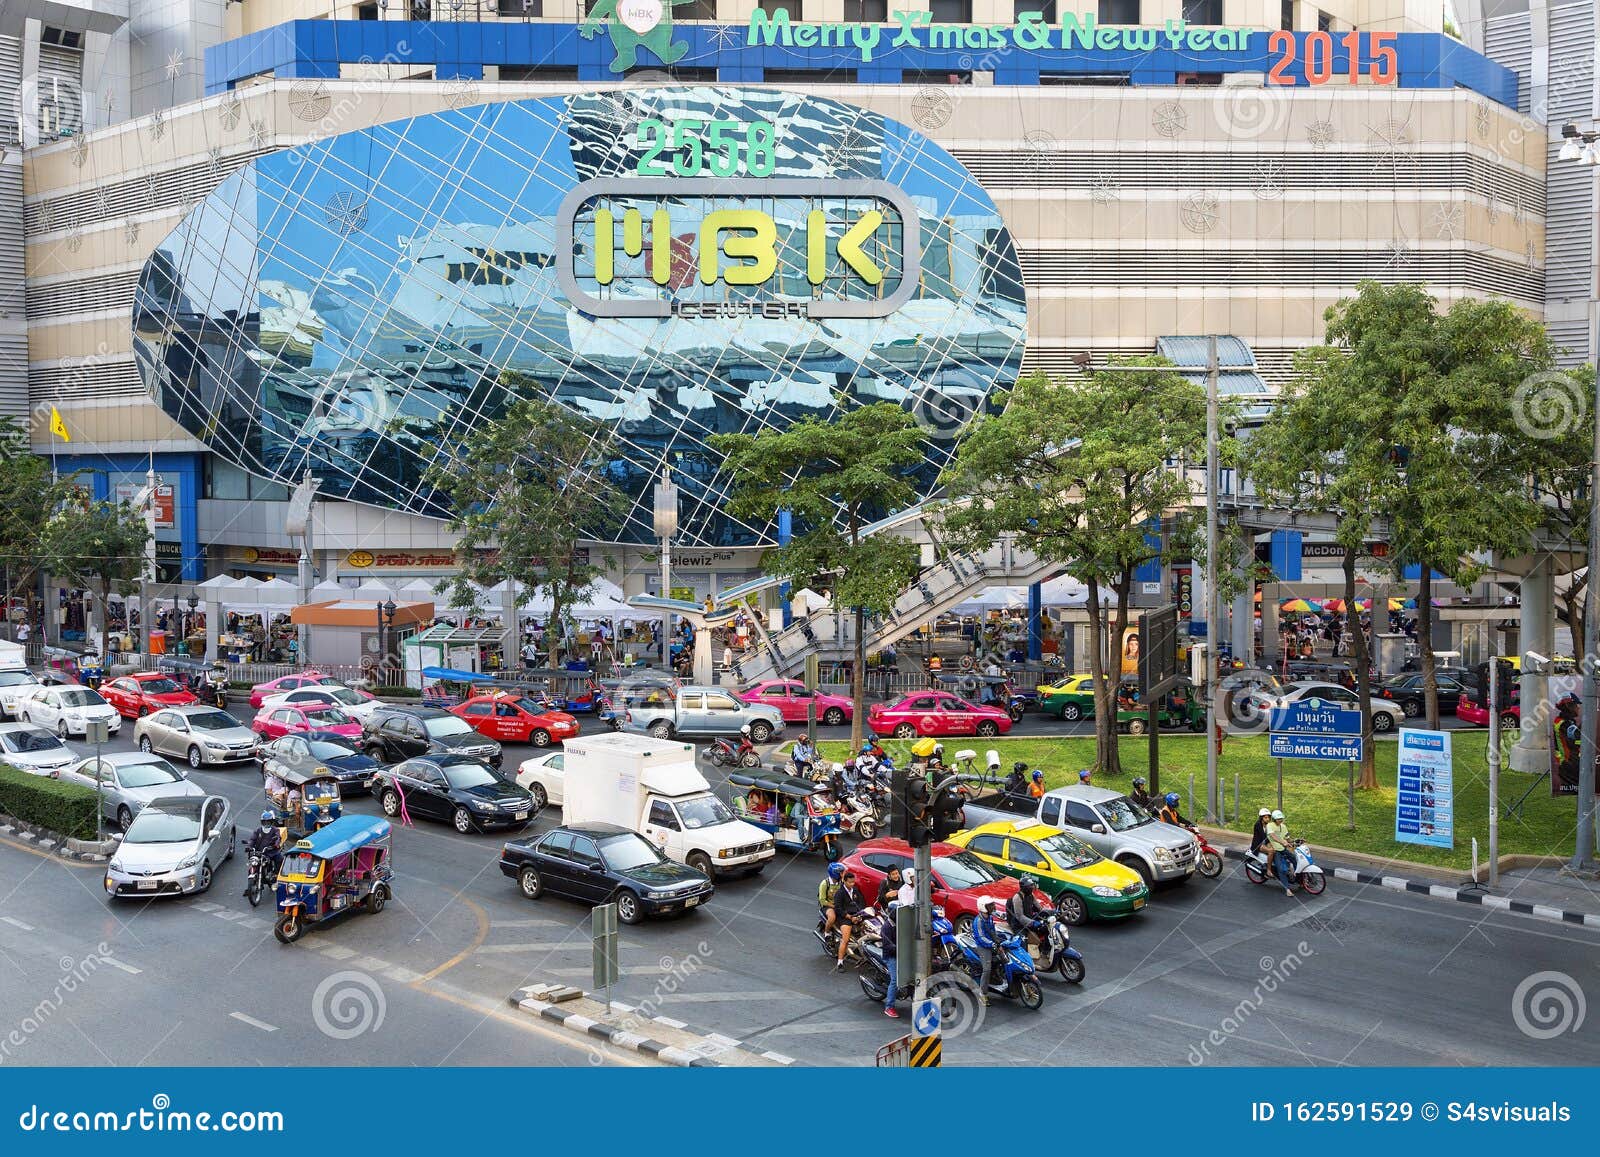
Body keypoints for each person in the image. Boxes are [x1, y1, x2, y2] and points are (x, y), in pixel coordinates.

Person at [828, 869, 867, 970]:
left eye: (853, 882)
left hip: (857, 915)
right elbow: (838, 908)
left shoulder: (856, 891)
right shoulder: (839, 893)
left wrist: (860, 915)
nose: (852, 884)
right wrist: (850, 917)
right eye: (850, 882)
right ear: (844, 881)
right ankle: (840, 962)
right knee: (845, 940)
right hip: (844, 918)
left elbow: (862, 902)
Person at [1004, 875, 1048, 956]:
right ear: (1023, 887)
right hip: (1019, 926)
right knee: (1024, 945)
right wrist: (1033, 922)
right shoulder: (1017, 898)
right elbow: (1019, 916)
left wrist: (1051, 912)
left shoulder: (1031, 895)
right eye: (1029, 886)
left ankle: (1045, 951)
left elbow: (1039, 908)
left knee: (1047, 929)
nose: (1032, 887)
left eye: (1032, 885)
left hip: (1030, 922)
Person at [872, 901, 900, 1017]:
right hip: (891, 956)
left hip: (901, 954)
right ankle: (889, 1007)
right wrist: (900, 948)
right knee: (895, 980)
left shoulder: (902, 923)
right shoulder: (887, 927)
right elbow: (888, 945)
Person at [972, 896, 1003, 1000]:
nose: (992, 907)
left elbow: (992, 931)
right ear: (983, 907)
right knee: (987, 969)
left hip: (991, 943)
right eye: (990, 906)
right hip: (983, 946)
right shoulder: (978, 921)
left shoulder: (989, 917)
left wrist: (998, 940)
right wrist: (992, 944)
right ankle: (983, 994)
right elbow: (981, 938)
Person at [1264, 809, 1294, 895]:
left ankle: (1298, 879)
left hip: (1283, 849)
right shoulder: (1270, 825)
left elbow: (1288, 838)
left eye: (1281, 818)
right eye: (1278, 819)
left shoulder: (1283, 826)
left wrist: (1296, 841)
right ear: (1274, 819)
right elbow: (1273, 836)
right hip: (1275, 850)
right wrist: (1282, 842)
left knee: (1294, 859)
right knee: (1281, 869)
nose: (1280, 820)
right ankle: (1287, 889)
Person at [818, 862, 844, 931]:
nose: (842, 874)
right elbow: (822, 900)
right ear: (835, 874)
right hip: (828, 906)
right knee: (832, 917)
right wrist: (834, 906)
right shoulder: (825, 884)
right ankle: (827, 932)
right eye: (841, 873)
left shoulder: (842, 882)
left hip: (839, 905)